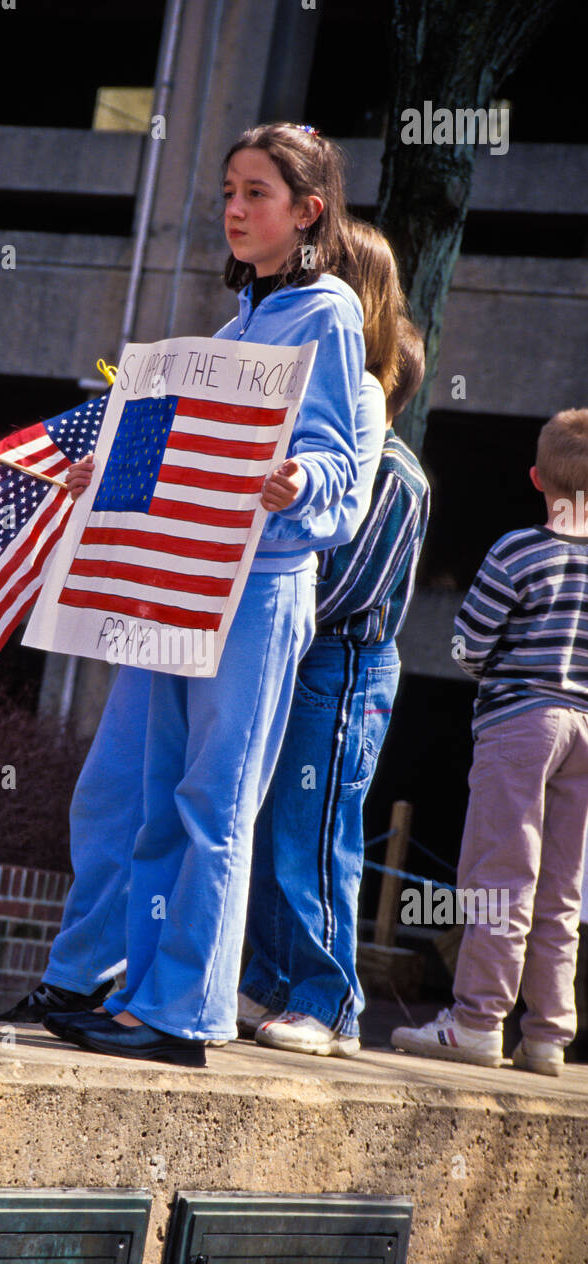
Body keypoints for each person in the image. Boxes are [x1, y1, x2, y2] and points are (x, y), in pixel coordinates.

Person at [0, 215, 392, 1030]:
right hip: (175, 594)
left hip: (248, 597)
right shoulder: (229, 334)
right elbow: (179, 457)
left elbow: (336, 502)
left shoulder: (345, 369)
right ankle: (95, 980)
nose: (239, 217)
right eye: (229, 195)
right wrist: (110, 469)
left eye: (259, 198)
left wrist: (296, 485)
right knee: (118, 796)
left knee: (207, 811)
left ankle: (173, 1008)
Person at [241, 314, 429, 1054]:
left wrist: (265, 602)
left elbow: (347, 588)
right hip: (303, 658)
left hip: (343, 666)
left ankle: (328, 1002)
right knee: (272, 829)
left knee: (313, 836)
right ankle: (268, 984)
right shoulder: (340, 459)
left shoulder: (390, 472)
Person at [391, 408, 588, 1077]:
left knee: (498, 873)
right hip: (585, 731)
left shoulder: (515, 551)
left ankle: (477, 1021)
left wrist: (492, 665)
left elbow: (470, 646)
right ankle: (547, 1035)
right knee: (561, 885)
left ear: (536, 478)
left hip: (520, 724)